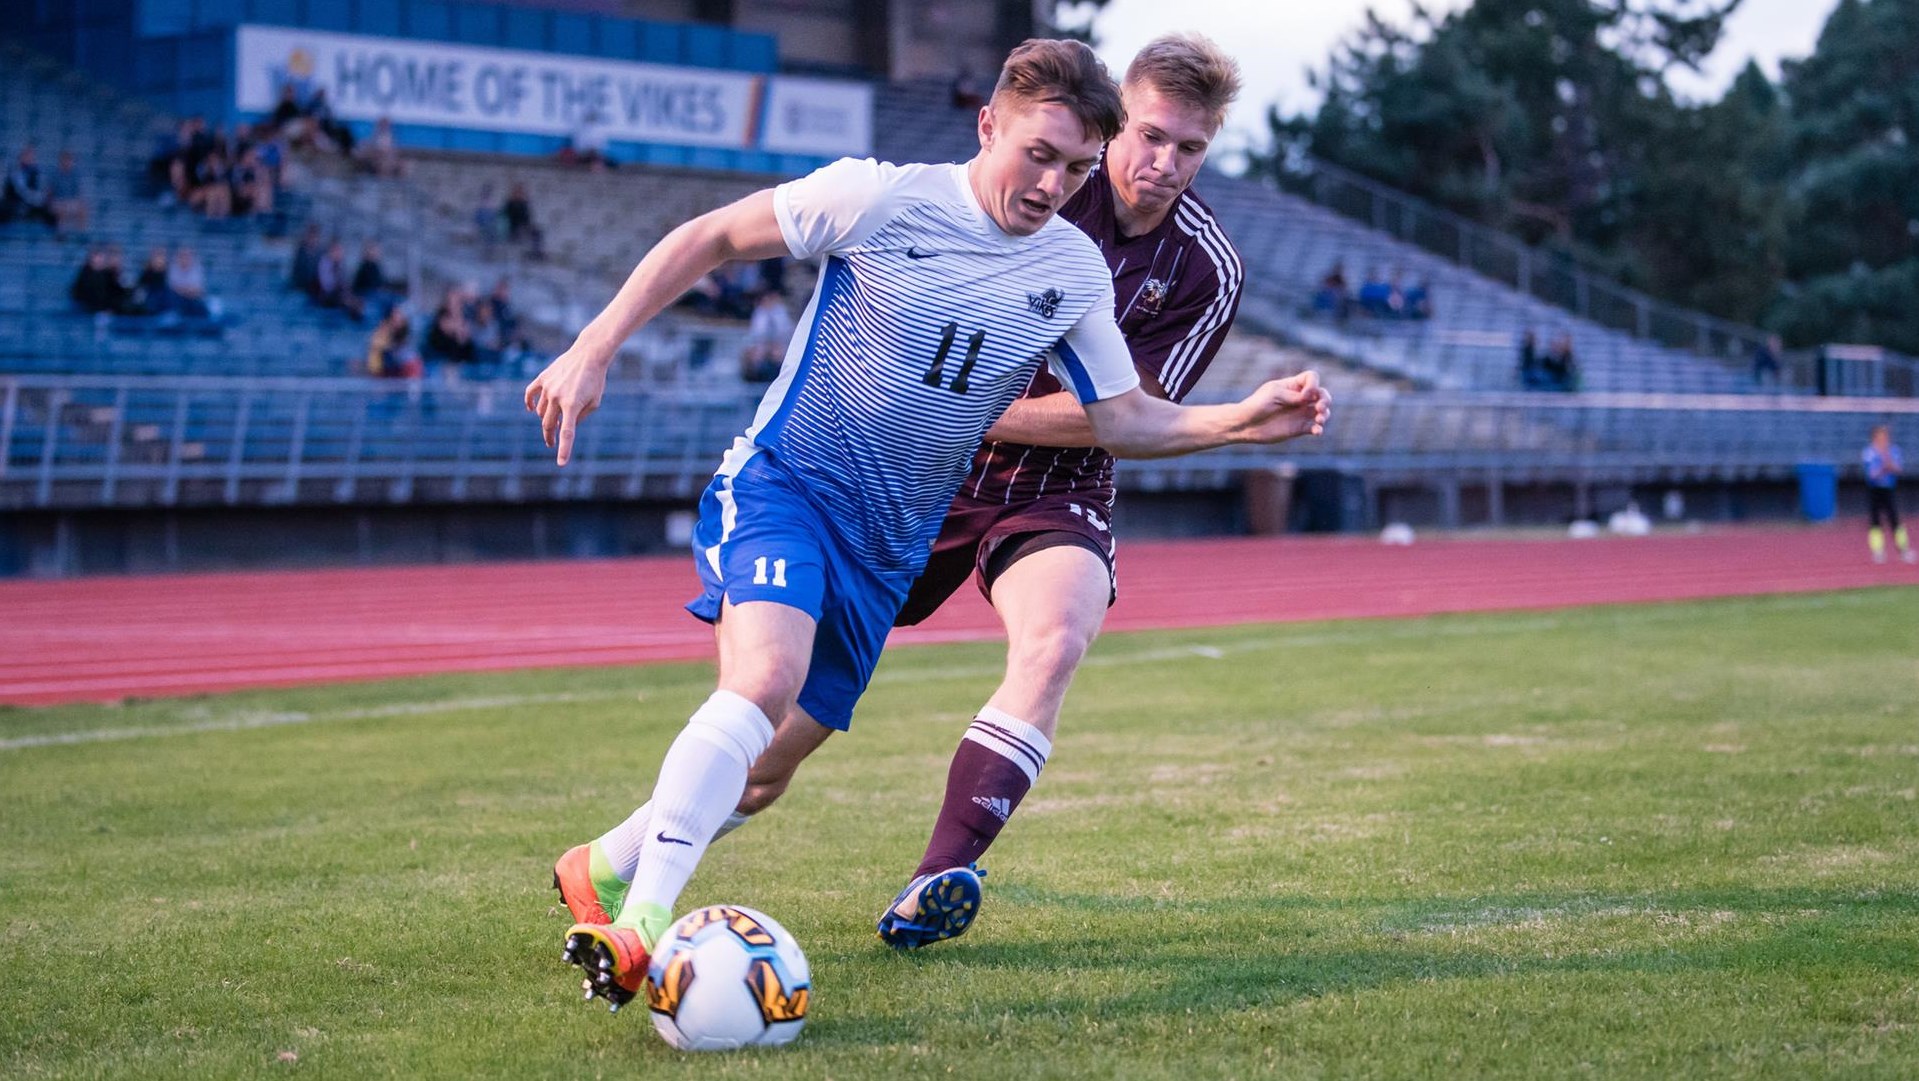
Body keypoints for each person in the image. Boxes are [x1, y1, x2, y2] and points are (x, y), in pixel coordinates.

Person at [530, 37, 1329, 1011]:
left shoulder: (1081, 270)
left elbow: (1123, 416)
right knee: (764, 676)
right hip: (794, 484)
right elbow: (711, 236)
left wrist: (1240, 417)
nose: (1054, 184)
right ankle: (642, 928)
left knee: (771, 766)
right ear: (988, 124)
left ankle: (605, 866)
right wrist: (592, 345)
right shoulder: (878, 196)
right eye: (1042, 155)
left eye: (1075, 167)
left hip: (903, 532)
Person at [707, 31, 1260, 951]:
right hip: (918, 474)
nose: (1164, 164)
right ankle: (644, 846)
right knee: (770, 758)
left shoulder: (1205, 265)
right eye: (1152, 136)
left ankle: (939, 877)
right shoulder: (1034, 189)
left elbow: (1126, 416)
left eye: (1190, 148)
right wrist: (957, 411)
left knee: (1055, 640)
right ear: (1118, 119)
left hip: (1056, 488)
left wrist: (980, 410)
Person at [1864, 425, 1913, 564]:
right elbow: (1871, 475)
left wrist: (1890, 464)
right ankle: (1878, 551)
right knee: (1875, 522)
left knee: (1895, 520)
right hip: (1874, 490)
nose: (1883, 439)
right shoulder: (1869, 452)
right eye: (1880, 436)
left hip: (1888, 489)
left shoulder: (1893, 450)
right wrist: (1883, 467)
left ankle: (1903, 550)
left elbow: (1898, 469)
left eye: (1885, 436)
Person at [741, 289, 794, 382]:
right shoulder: (759, 312)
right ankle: (755, 381)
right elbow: (756, 332)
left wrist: (774, 344)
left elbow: (785, 331)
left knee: (778, 354)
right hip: (761, 344)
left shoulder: (780, 311)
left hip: (779, 344)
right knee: (754, 355)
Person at [3, 145, 54, 227]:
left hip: (32, 203)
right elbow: (22, 192)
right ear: (21, 157)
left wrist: (42, 197)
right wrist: (38, 199)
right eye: (27, 156)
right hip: (15, 203)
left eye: (32, 157)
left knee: (50, 212)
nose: (30, 159)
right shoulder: (15, 171)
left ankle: (55, 237)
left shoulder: (37, 172)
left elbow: (42, 188)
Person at [365, 305, 421, 378]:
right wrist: (375, 350)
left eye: (398, 321)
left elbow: (412, 381)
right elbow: (374, 374)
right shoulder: (376, 348)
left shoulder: (409, 359)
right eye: (390, 321)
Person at [49, 150, 89, 235]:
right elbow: (50, 192)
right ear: (60, 162)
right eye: (64, 160)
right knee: (62, 209)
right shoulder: (54, 174)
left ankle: (81, 234)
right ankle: (61, 234)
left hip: (71, 200)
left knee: (83, 210)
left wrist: (80, 202)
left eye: (69, 161)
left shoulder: (75, 175)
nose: (67, 163)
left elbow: (78, 193)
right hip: (57, 201)